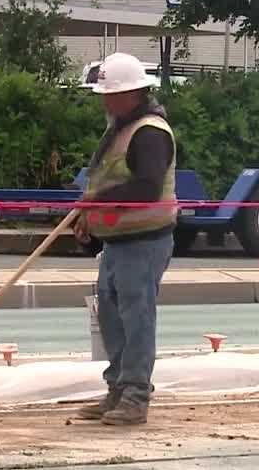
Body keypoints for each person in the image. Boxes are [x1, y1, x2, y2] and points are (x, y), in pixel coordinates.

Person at [73, 52, 177, 426]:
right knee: (113, 316)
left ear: (129, 93)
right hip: (119, 241)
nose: (102, 100)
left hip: (145, 241)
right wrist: (90, 217)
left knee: (136, 318)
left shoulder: (149, 132)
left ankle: (135, 395)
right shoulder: (120, 127)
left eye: (107, 93)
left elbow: (147, 187)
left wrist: (97, 202)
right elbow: (111, 181)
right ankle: (117, 387)